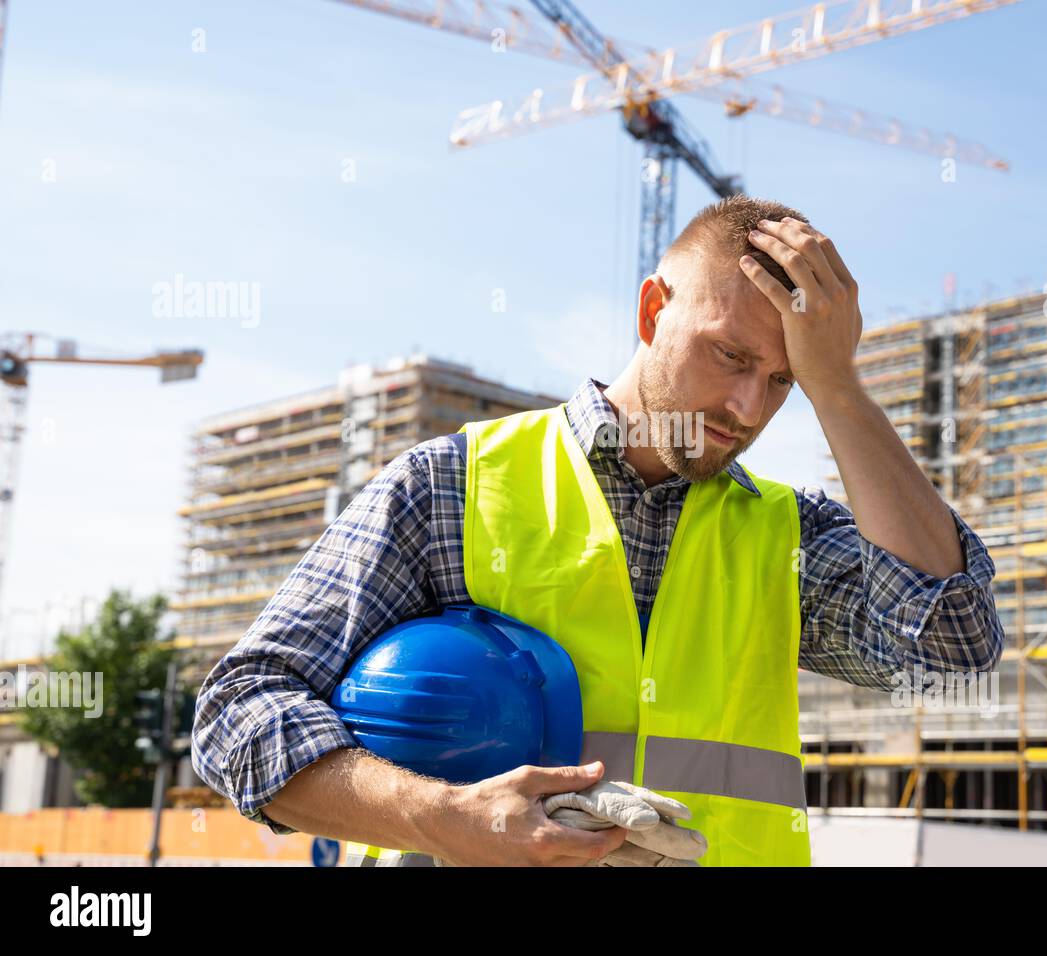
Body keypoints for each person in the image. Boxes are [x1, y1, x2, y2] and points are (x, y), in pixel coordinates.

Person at [191, 195, 1003, 866]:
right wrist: (441, 816)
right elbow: (239, 713)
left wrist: (839, 385)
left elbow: (952, 650)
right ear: (654, 309)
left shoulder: (783, 533)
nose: (749, 410)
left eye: (783, 378)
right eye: (729, 355)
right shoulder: (451, 486)